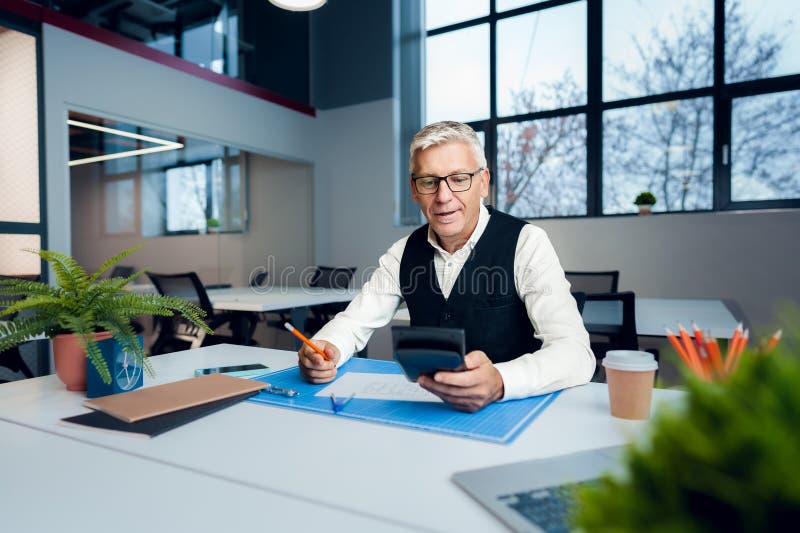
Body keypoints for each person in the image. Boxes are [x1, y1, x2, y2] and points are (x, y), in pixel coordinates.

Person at [298, 121, 594, 412]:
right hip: (428, 414)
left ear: (483, 183)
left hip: (516, 414)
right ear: (414, 190)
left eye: (459, 178)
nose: (443, 196)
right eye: (429, 181)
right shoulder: (402, 253)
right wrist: (326, 347)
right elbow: (352, 324)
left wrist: (502, 380)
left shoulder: (527, 242)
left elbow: (576, 353)